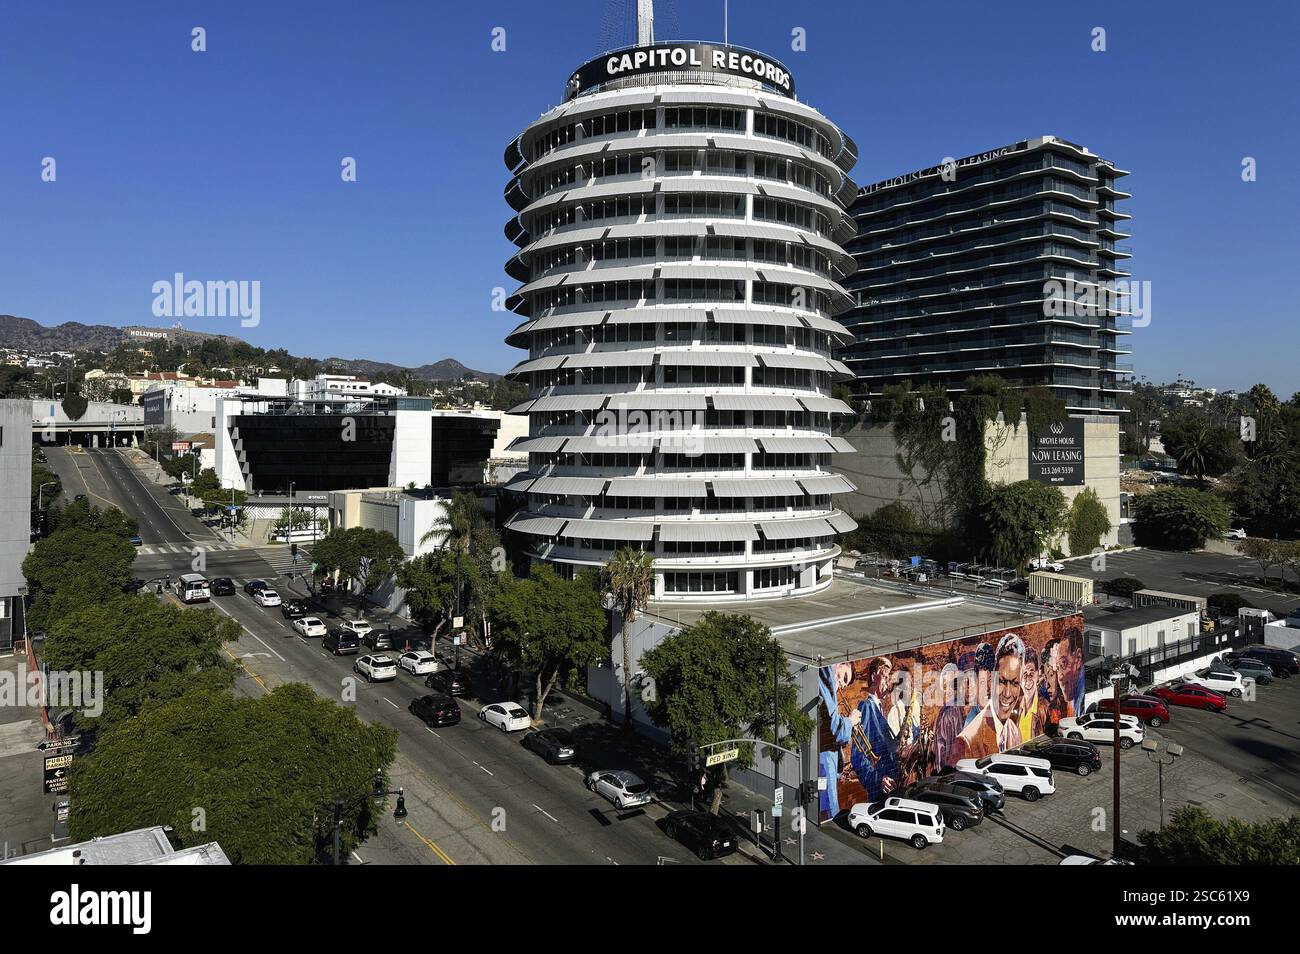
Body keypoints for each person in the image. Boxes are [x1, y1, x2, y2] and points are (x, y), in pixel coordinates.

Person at [950, 633, 1025, 763]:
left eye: (1015, 683)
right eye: (1001, 681)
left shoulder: (1014, 732)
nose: (1007, 694)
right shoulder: (966, 741)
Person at [849, 657, 901, 800]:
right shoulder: (866, 707)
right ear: (874, 676)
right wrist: (878, 780)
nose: (888, 682)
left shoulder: (879, 708)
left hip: (890, 786)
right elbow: (857, 756)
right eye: (885, 677)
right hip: (880, 791)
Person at [818, 662, 855, 819]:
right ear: (840, 664)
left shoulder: (827, 685)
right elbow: (836, 730)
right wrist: (851, 721)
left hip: (828, 759)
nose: (842, 685)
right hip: (825, 759)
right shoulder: (824, 685)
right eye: (844, 677)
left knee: (826, 802)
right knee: (827, 805)